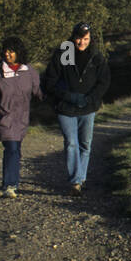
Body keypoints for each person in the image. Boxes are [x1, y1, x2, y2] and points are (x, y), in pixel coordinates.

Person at [44, 22, 111, 195]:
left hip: (88, 107)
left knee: (85, 144)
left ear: (91, 39)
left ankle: (80, 179)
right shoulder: (64, 53)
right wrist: (67, 96)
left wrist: (91, 98)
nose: (82, 42)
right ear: (73, 37)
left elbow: (104, 81)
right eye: (79, 38)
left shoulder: (96, 56)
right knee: (71, 143)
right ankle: (75, 181)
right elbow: (50, 82)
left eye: (86, 39)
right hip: (65, 107)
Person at [0, 36, 43, 198]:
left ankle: (13, 180)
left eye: (11, 51)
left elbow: (39, 92)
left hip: (22, 119)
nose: (7, 54)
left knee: (16, 149)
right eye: (5, 50)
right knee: (12, 148)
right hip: (4, 118)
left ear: (19, 52)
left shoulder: (29, 72)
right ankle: (10, 185)